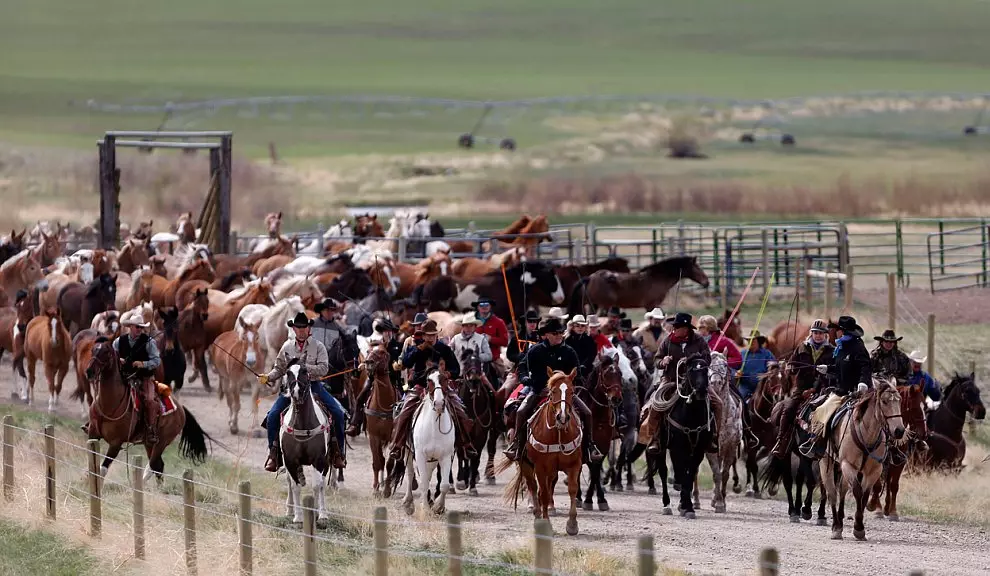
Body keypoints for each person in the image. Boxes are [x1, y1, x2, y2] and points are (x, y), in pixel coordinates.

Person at [502, 318, 604, 463]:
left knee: (587, 412)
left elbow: (578, 374)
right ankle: (516, 445)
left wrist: (575, 379)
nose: (559, 336)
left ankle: (590, 447)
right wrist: (525, 379)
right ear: (546, 335)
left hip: (563, 392)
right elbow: (523, 367)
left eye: (561, 333)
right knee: (521, 411)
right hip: (539, 390)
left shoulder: (569, 351)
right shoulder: (535, 350)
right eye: (555, 333)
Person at [258, 313, 346, 472]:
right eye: (297, 327)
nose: (301, 330)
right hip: (290, 389)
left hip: (314, 386)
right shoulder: (287, 347)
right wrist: (268, 377)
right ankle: (274, 454)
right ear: (294, 329)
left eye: (303, 327)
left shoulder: (318, 346)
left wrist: (303, 369)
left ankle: (338, 452)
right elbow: (279, 368)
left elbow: (324, 368)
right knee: (272, 416)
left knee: (338, 413)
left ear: (308, 328)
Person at [388, 320, 476, 461]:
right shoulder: (416, 348)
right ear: (423, 335)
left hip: (441, 387)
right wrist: (418, 350)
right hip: (420, 386)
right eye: (427, 335)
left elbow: (456, 370)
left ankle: (466, 444)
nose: (430, 338)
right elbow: (405, 363)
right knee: (404, 412)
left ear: (437, 335)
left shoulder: (444, 349)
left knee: (460, 410)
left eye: (433, 335)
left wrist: (446, 374)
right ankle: (397, 446)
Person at [639, 312, 717, 455]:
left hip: (695, 381)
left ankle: (713, 436)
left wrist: (693, 360)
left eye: (677, 327)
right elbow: (657, 360)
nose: (673, 329)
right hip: (671, 380)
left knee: (717, 402)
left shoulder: (698, 340)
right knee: (656, 404)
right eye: (674, 327)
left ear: (686, 328)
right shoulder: (668, 341)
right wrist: (663, 362)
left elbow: (707, 358)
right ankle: (655, 438)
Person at [801, 316, 873, 459]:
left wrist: (863, 382)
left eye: (837, 330)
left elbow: (866, 366)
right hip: (841, 392)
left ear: (842, 331)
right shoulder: (841, 347)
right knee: (820, 411)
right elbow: (839, 368)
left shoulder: (858, 347)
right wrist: (827, 369)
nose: (834, 332)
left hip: (858, 392)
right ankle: (817, 443)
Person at [770, 320, 834, 459]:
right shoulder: (801, 347)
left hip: (823, 390)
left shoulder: (832, 351)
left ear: (825, 335)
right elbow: (792, 364)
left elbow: (834, 372)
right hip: (801, 389)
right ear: (811, 333)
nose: (818, 336)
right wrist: (790, 368)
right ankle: (781, 441)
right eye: (815, 333)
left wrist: (824, 375)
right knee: (789, 409)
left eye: (821, 333)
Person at [346, 318, 403, 437]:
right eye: (385, 331)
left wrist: (397, 363)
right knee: (360, 398)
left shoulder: (398, 346)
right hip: (374, 379)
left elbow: (402, 361)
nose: (387, 334)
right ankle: (355, 424)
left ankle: (404, 429)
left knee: (404, 401)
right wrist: (364, 364)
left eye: (389, 331)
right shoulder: (376, 346)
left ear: (393, 332)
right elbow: (370, 359)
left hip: (394, 380)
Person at [113, 310, 162, 444]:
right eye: (137, 327)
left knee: (150, 400)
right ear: (130, 327)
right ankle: (96, 420)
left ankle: (151, 429)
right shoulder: (118, 342)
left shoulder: (149, 342)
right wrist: (119, 361)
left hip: (145, 379)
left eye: (142, 327)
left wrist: (143, 364)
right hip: (125, 377)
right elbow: (113, 357)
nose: (140, 329)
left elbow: (157, 361)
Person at [311, 298, 360, 398]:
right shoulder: (312, 324)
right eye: (327, 310)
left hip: (332, 365)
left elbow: (347, 340)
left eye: (332, 310)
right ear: (322, 311)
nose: (330, 313)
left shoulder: (338, 327)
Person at [737, 330, 776, 400]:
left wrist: (767, 374)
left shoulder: (767, 354)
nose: (750, 342)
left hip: (762, 387)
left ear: (759, 342)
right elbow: (734, 367)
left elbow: (775, 368)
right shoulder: (742, 354)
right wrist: (736, 373)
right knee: (739, 400)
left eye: (753, 341)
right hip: (745, 386)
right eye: (749, 341)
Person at [564, 315, 598, 382]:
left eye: (582, 326)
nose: (580, 328)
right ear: (573, 327)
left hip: (586, 370)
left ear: (585, 327)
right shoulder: (567, 340)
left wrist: (583, 365)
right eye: (577, 326)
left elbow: (591, 355)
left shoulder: (590, 340)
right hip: (569, 371)